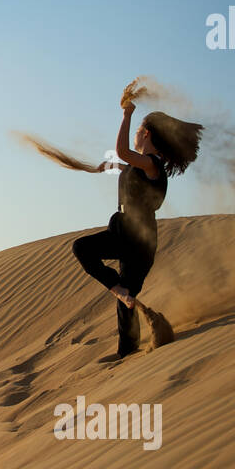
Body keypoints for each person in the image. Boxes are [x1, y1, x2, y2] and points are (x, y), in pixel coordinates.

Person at [72, 97, 204, 359]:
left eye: (136, 130)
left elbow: (123, 153)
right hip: (129, 233)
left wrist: (127, 114)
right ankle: (128, 350)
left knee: (83, 250)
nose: (133, 135)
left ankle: (125, 328)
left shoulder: (152, 163)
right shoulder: (143, 166)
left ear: (145, 133)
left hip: (136, 236)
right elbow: (130, 166)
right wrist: (116, 167)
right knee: (126, 298)